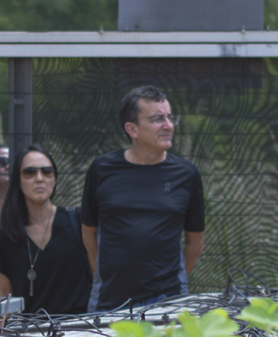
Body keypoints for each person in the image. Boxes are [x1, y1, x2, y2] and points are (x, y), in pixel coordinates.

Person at [80, 85, 205, 309]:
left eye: (170, 117)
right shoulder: (101, 169)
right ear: (132, 129)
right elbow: (89, 233)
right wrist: (104, 276)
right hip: (109, 299)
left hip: (169, 300)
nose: (168, 126)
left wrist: (169, 282)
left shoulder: (187, 174)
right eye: (158, 119)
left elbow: (195, 242)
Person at [0, 145, 91, 314]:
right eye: (30, 172)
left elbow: (98, 277)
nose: (40, 178)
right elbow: (4, 294)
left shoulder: (77, 221)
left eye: (47, 171)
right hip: (27, 334)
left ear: (54, 178)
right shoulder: (6, 235)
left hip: (78, 331)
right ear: (18, 182)